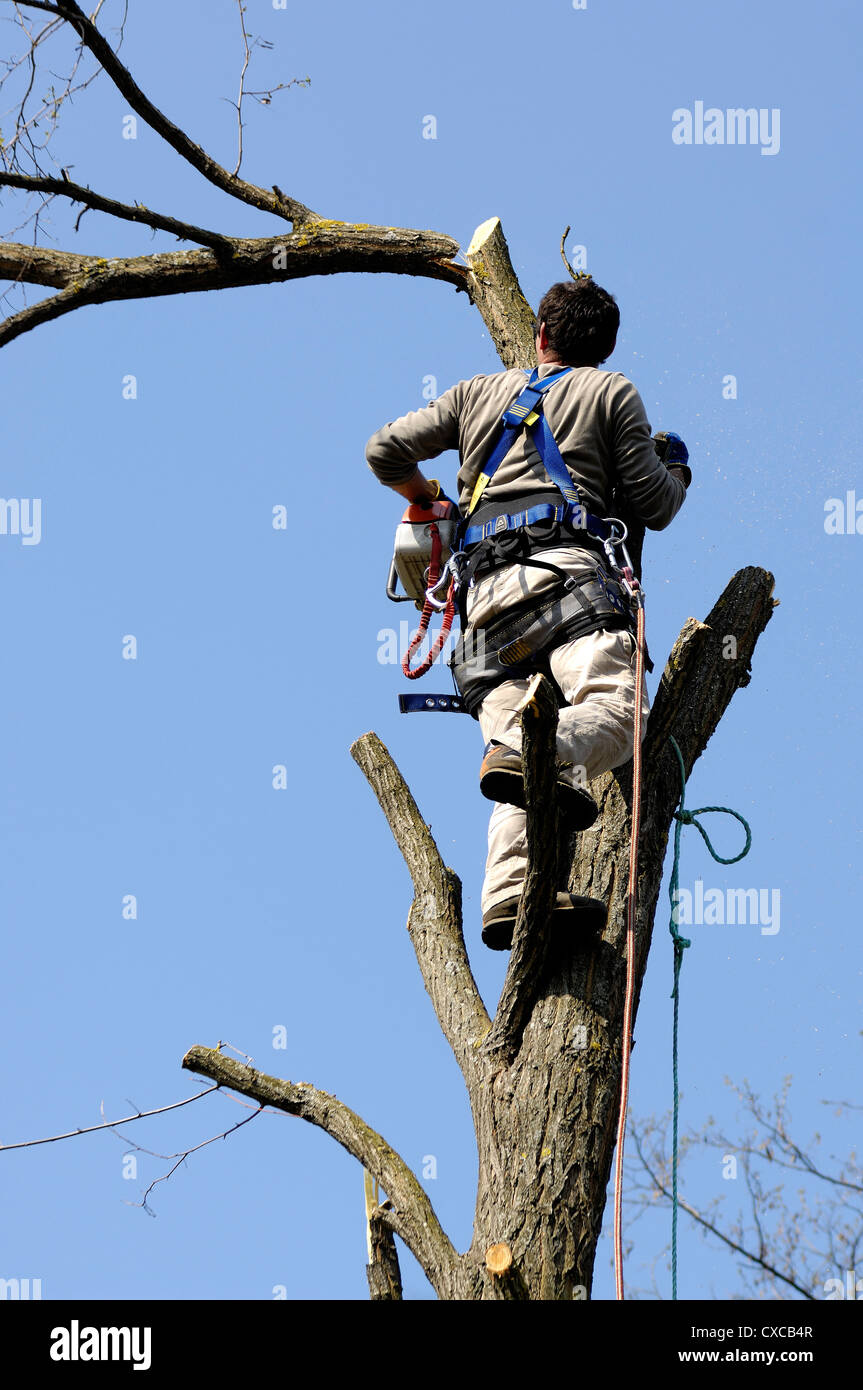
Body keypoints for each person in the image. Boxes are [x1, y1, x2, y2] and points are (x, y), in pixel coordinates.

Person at [366, 278, 690, 950]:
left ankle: (510, 893)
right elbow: (652, 504)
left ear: (539, 333)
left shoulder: (472, 392)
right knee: (620, 712)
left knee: (515, 745)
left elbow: (383, 450)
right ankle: (525, 753)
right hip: (562, 580)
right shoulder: (610, 392)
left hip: (480, 609)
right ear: (602, 347)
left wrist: (430, 500)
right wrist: (677, 469)